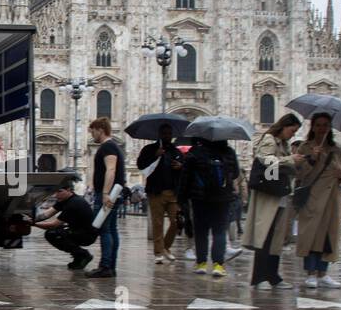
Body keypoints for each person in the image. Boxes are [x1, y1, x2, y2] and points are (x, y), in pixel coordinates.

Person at [243, 113, 301, 289]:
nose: (293, 135)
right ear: (284, 127)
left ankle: (273, 276)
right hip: (268, 195)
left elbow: (279, 167)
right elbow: (267, 162)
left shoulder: (283, 144)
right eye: (292, 131)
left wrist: (295, 163)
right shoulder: (269, 139)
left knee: (276, 238)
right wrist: (291, 160)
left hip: (279, 194)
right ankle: (259, 277)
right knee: (265, 236)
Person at [292, 112, 341, 288]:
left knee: (327, 237)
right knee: (310, 235)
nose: (322, 128)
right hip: (312, 198)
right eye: (318, 125)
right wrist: (311, 159)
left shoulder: (336, 150)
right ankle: (310, 273)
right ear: (313, 127)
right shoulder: (304, 148)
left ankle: (323, 273)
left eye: (325, 125)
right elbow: (298, 173)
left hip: (331, 199)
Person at [182, 136, 240, 276]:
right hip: (222, 198)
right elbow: (236, 173)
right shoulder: (229, 152)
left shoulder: (196, 151)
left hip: (200, 198)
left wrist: (182, 197)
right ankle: (218, 265)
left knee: (201, 231)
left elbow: (186, 175)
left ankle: (201, 263)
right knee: (219, 231)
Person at [136, 123, 184, 264]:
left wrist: (180, 166)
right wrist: (154, 155)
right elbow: (140, 165)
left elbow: (184, 169)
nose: (167, 136)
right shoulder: (149, 149)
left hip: (173, 192)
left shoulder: (176, 151)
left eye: (169, 133)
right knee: (157, 223)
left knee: (177, 222)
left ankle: (166, 247)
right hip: (156, 192)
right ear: (159, 134)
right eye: (164, 133)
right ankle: (158, 252)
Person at [86, 117, 125, 279]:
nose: (92, 134)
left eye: (93, 131)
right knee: (112, 230)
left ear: (100, 130)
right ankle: (110, 266)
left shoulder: (107, 147)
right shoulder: (113, 146)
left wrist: (105, 193)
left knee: (104, 230)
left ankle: (106, 266)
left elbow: (111, 170)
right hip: (114, 193)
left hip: (109, 194)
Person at [32, 177, 98, 269]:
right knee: (57, 232)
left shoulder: (74, 203)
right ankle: (78, 257)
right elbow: (46, 215)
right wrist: (32, 219)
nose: (55, 195)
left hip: (87, 235)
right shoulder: (64, 200)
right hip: (77, 230)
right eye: (55, 192)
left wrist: (33, 224)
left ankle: (83, 255)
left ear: (69, 190)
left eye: (59, 191)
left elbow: (53, 225)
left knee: (53, 234)